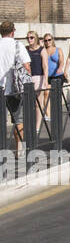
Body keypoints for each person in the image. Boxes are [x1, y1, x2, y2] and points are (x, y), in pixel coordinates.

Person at [1, 22, 30, 152]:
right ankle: (19, 150)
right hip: (14, 89)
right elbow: (26, 67)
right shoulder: (18, 45)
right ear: (13, 32)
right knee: (18, 120)